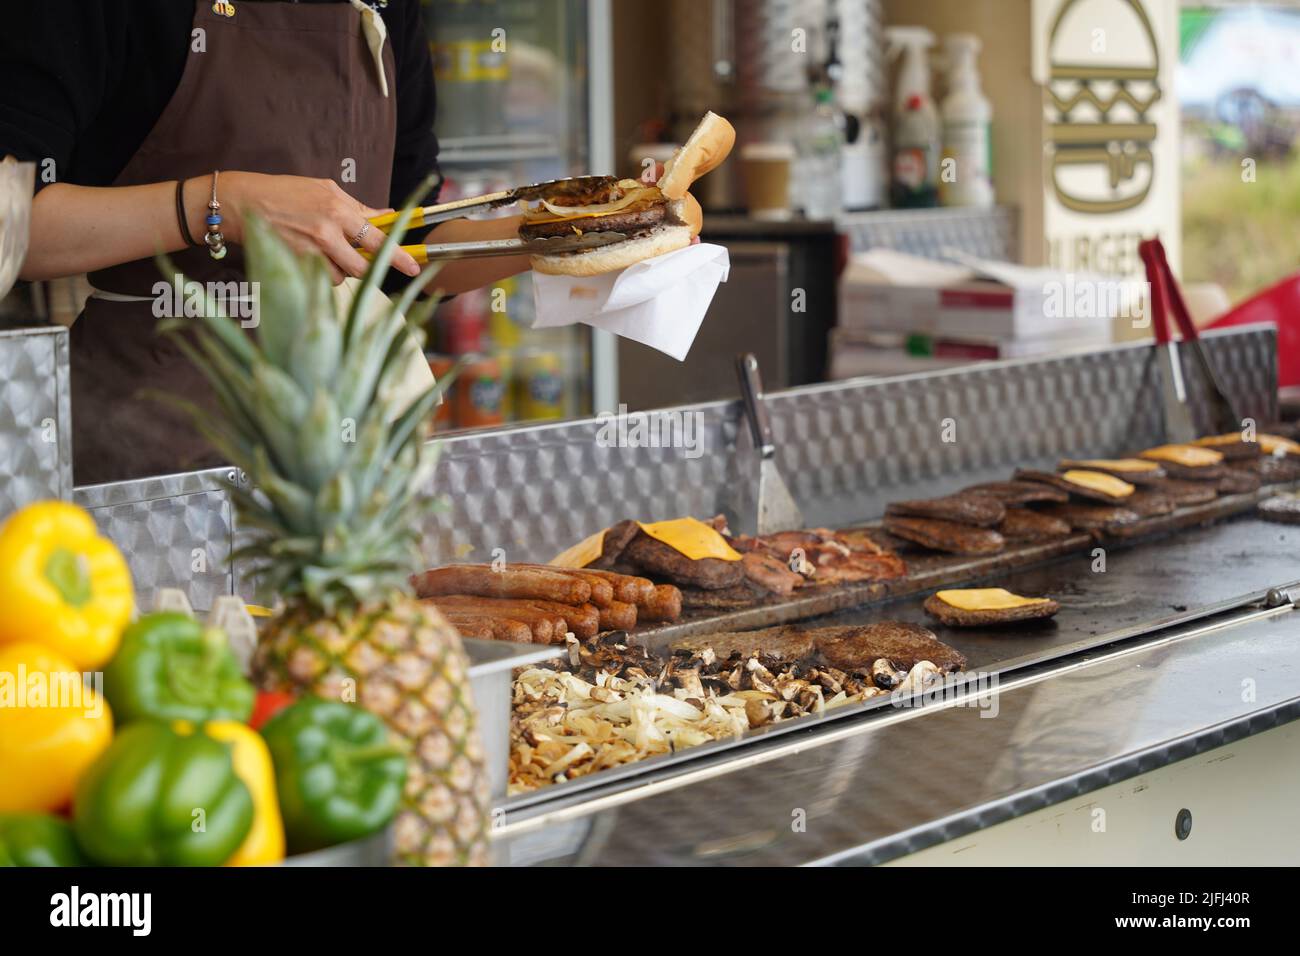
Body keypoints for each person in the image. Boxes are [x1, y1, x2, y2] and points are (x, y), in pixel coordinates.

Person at [1, 0, 529, 483]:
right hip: (155, 446)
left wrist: (546, 242)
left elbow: (406, 243)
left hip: (353, 459)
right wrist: (225, 205)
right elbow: (14, 226)